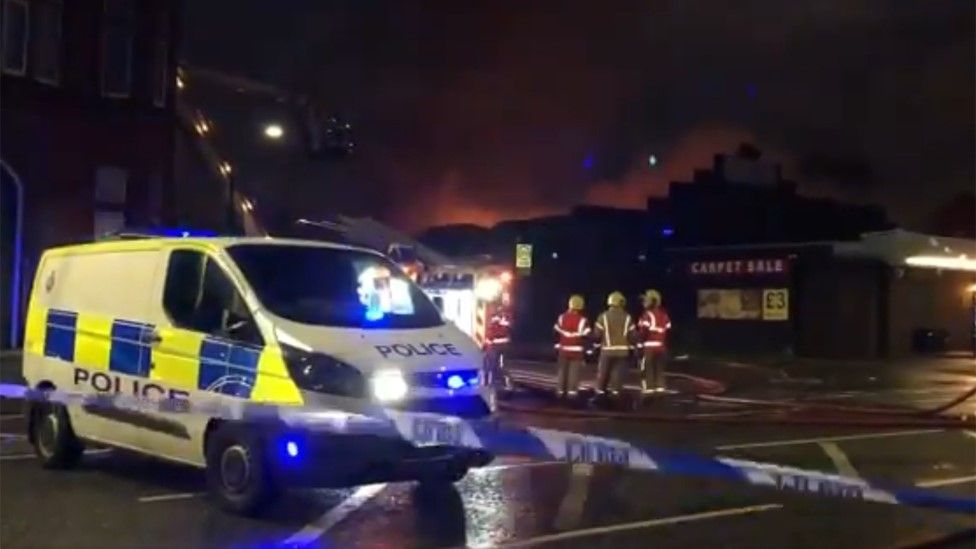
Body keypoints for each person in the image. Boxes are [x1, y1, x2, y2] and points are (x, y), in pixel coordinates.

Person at [591, 291, 634, 405]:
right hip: (622, 352)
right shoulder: (627, 317)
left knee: (603, 374)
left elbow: (597, 335)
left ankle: (599, 396)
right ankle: (616, 396)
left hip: (607, 351)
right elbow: (632, 335)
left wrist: (595, 347)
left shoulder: (603, 316)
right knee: (618, 375)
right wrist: (634, 348)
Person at [553, 294, 589, 401]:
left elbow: (556, 332)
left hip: (563, 350)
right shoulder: (583, 320)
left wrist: (558, 344)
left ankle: (560, 393)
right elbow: (587, 335)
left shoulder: (561, 317)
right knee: (574, 373)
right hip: (577, 352)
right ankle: (572, 395)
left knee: (562, 372)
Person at [637, 289, 672, 395]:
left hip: (649, 348)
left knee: (646, 371)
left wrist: (639, 345)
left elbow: (643, 333)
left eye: (645, 300)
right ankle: (660, 390)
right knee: (659, 370)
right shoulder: (664, 315)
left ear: (652, 301)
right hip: (661, 348)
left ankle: (648, 392)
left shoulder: (647, 315)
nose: (644, 302)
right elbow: (668, 331)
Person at [483, 296, 513, 391]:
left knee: (499, 365)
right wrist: (488, 340)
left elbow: (508, 325)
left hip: (500, 344)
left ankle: (502, 383)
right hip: (493, 344)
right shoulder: (493, 317)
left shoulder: (507, 315)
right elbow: (490, 330)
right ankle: (490, 383)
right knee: (491, 365)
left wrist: (500, 321)